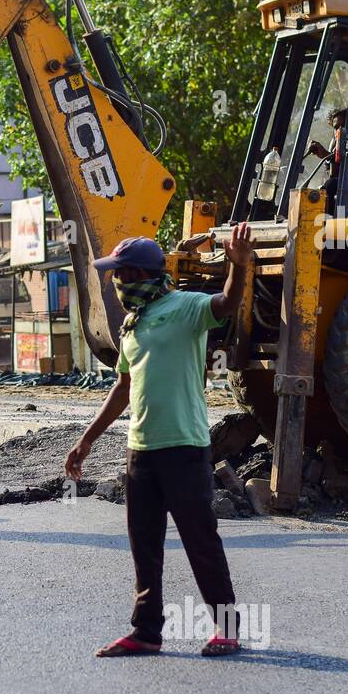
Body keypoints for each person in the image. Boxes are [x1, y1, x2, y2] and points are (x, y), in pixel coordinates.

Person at [65, 229, 253, 658]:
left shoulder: (185, 308)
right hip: (141, 451)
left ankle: (226, 628)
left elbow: (226, 304)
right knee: (144, 546)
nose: (116, 282)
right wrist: (86, 441)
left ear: (138, 274)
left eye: (120, 274)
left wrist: (238, 266)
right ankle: (147, 632)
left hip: (185, 447)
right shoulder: (132, 325)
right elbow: (123, 387)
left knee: (200, 541)